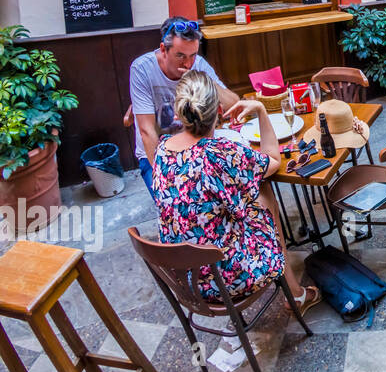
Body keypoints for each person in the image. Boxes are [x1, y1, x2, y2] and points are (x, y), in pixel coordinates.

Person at [152, 71, 320, 312]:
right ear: (219, 111)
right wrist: (261, 110)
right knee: (264, 190)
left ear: (179, 113)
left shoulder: (162, 149)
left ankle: (294, 292)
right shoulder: (219, 152)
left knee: (246, 196)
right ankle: (294, 293)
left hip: (184, 279)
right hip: (225, 279)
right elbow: (272, 161)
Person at [130, 17, 240, 198]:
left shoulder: (198, 65)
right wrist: (164, 176)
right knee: (178, 203)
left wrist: (203, 79)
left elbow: (233, 104)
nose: (188, 64)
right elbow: (146, 131)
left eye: (192, 55)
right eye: (180, 56)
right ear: (164, 49)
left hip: (196, 145)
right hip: (157, 153)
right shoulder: (142, 69)